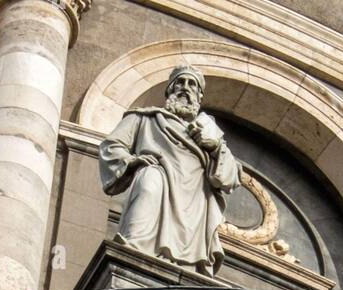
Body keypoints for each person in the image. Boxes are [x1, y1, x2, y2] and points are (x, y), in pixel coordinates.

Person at [98, 65, 240, 276]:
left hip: (195, 197)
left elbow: (232, 177)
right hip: (159, 174)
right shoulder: (146, 118)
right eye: (180, 83)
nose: (185, 88)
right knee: (150, 184)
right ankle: (135, 247)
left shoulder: (209, 131)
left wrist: (215, 147)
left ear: (199, 96)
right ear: (169, 90)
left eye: (192, 84)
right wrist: (133, 161)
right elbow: (111, 146)